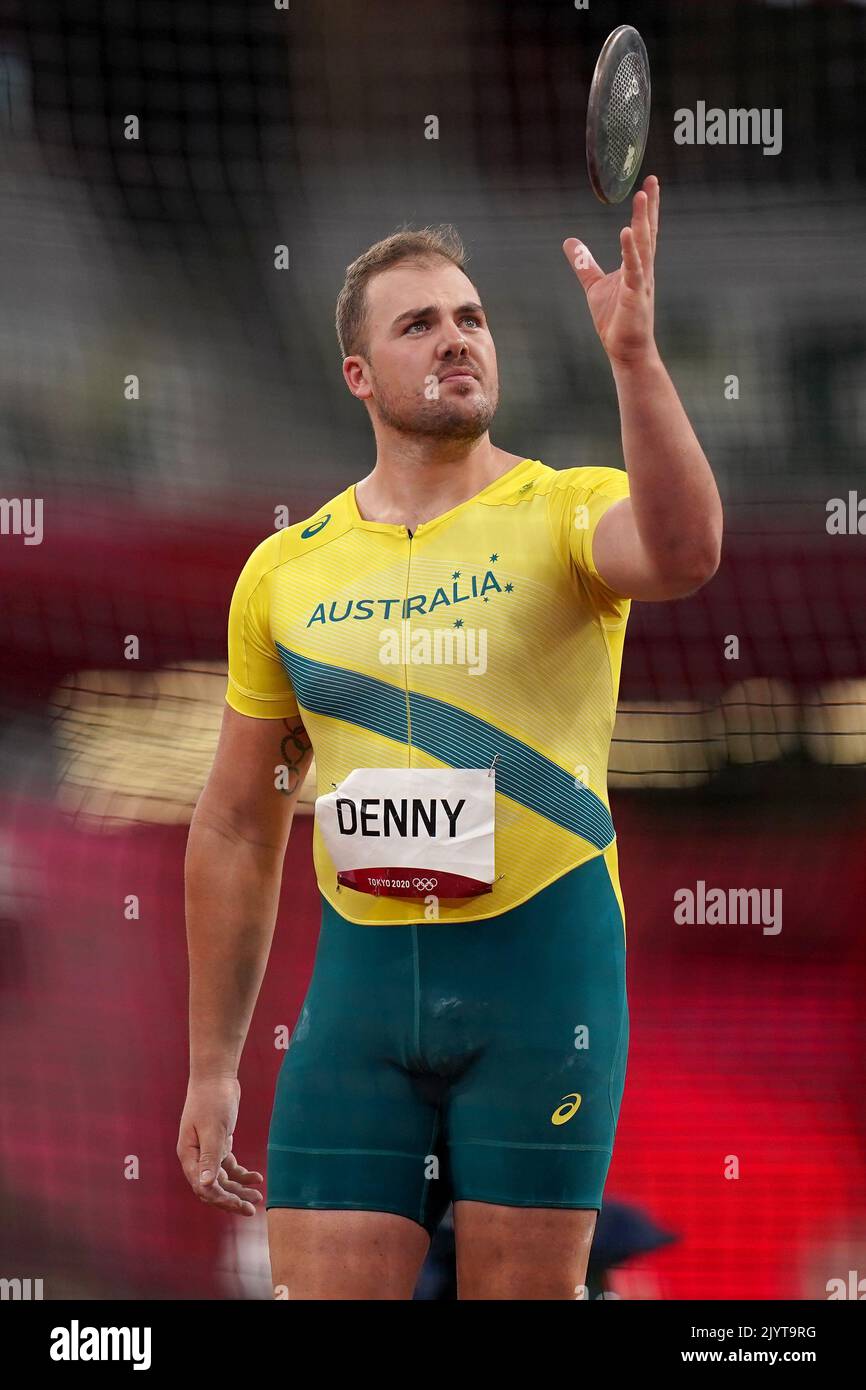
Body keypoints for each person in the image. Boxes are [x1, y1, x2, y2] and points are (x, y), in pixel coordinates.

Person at [178, 175, 722, 1299]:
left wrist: (634, 358)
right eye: (418, 323)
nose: (455, 338)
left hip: (541, 983)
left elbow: (683, 552)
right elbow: (237, 823)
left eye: (470, 317)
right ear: (359, 376)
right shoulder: (284, 571)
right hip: (359, 1001)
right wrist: (211, 1067)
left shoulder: (564, 512)